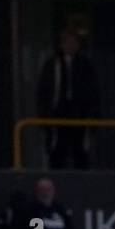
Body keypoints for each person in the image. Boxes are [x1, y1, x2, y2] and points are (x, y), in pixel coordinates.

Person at [36, 29, 100, 169]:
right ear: (61, 44)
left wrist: (92, 114)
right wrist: (44, 114)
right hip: (57, 112)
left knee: (80, 151)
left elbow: (92, 90)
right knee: (57, 150)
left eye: (74, 42)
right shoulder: (53, 64)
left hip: (79, 113)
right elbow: (44, 90)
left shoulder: (85, 64)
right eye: (67, 42)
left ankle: (82, 179)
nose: (71, 46)